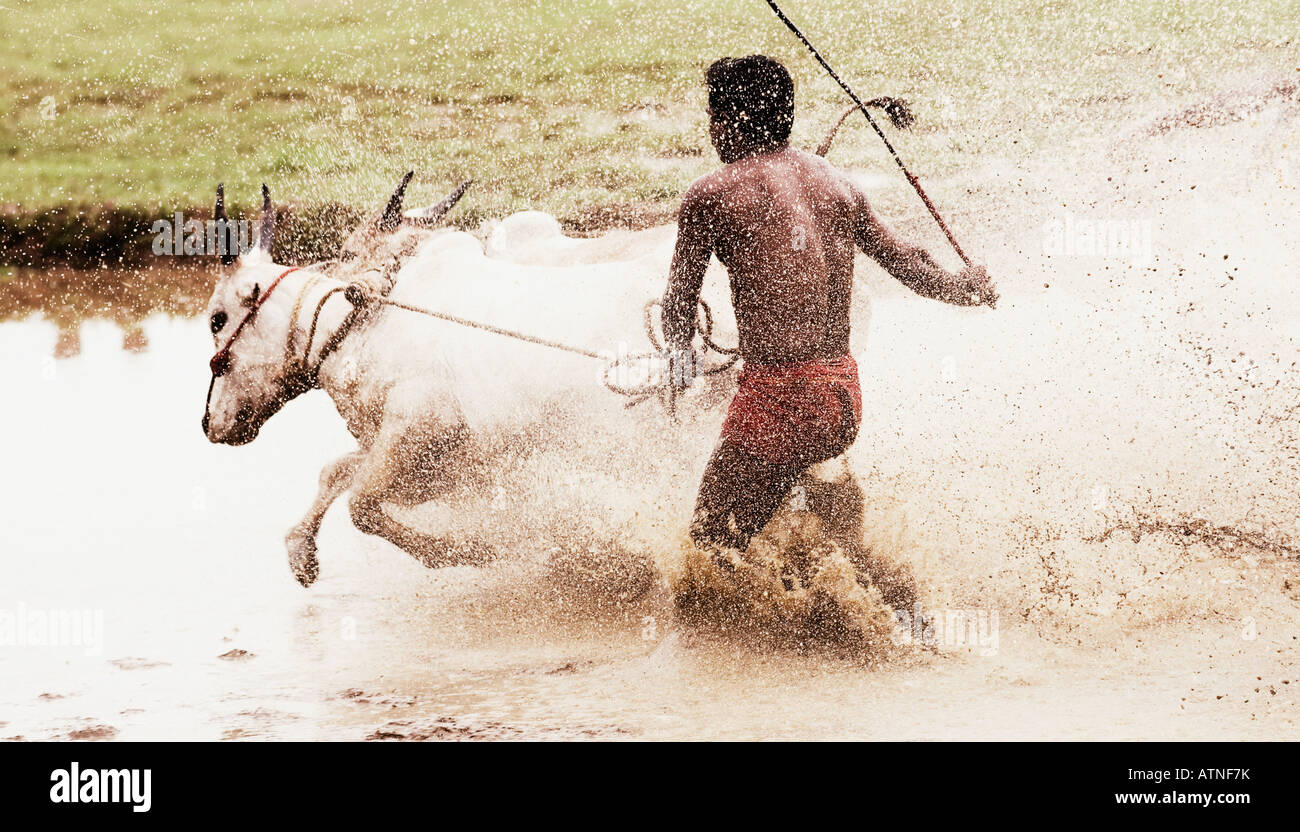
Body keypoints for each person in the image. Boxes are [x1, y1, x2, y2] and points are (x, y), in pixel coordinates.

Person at [662, 54, 997, 565]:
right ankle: (874, 604)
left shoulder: (709, 194)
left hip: (778, 399)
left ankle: (765, 627)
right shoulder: (838, 183)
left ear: (729, 121)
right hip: (841, 397)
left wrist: (679, 363)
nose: (711, 130)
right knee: (832, 541)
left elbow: (679, 306)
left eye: (712, 117)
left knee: (709, 547)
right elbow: (910, 265)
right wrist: (964, 287)